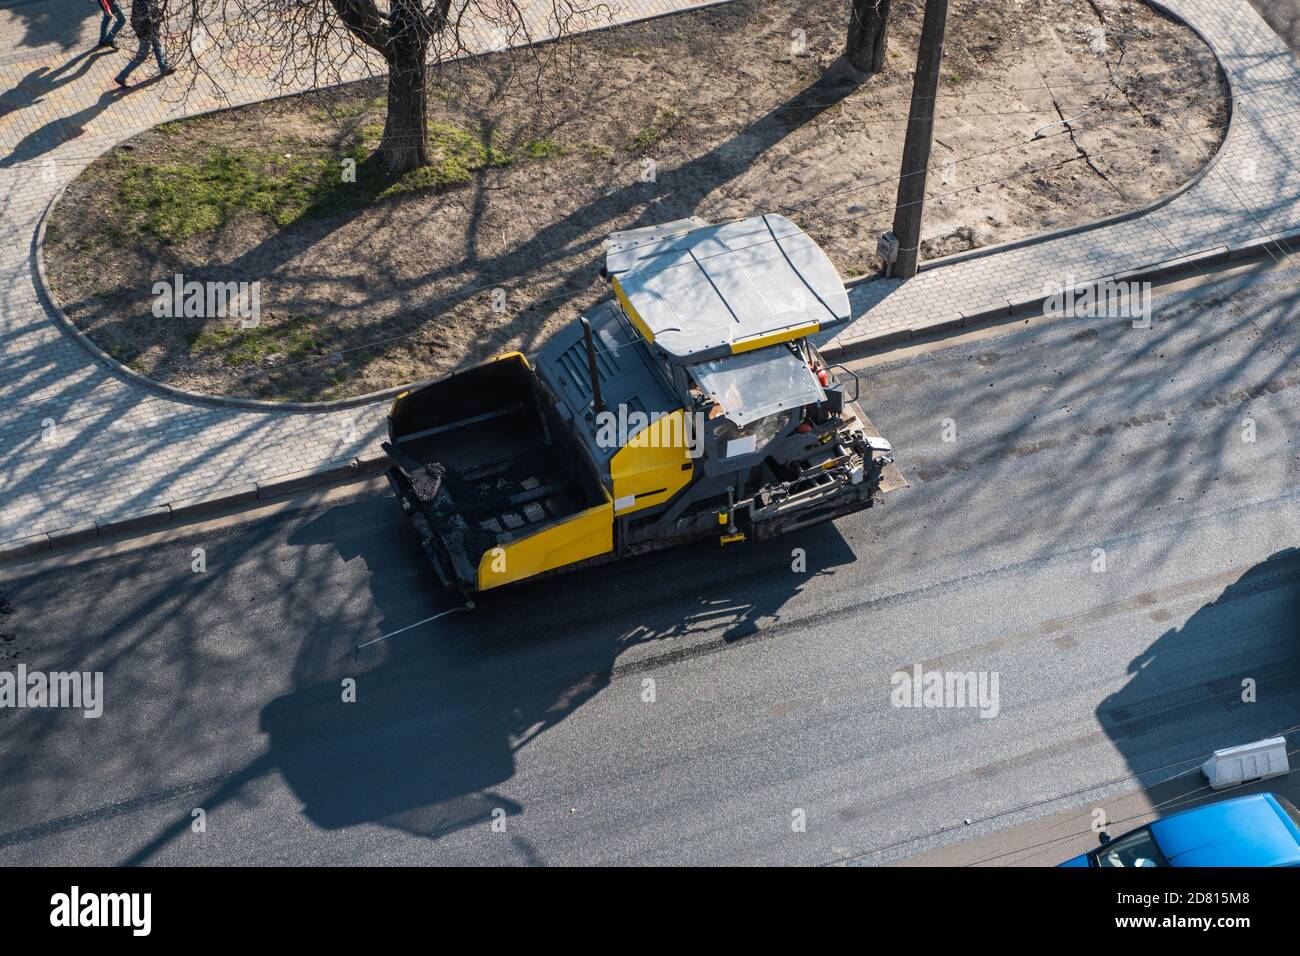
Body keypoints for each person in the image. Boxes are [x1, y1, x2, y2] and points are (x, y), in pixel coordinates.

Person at [114, 0, 174, 88]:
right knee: (142, 55)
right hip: (144, 29)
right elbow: (144, 15)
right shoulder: (142, 2)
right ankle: (121, 76)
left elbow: (151, 10)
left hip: (148, 26)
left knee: (157, 43)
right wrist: (155, 18)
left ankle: (164, 66)